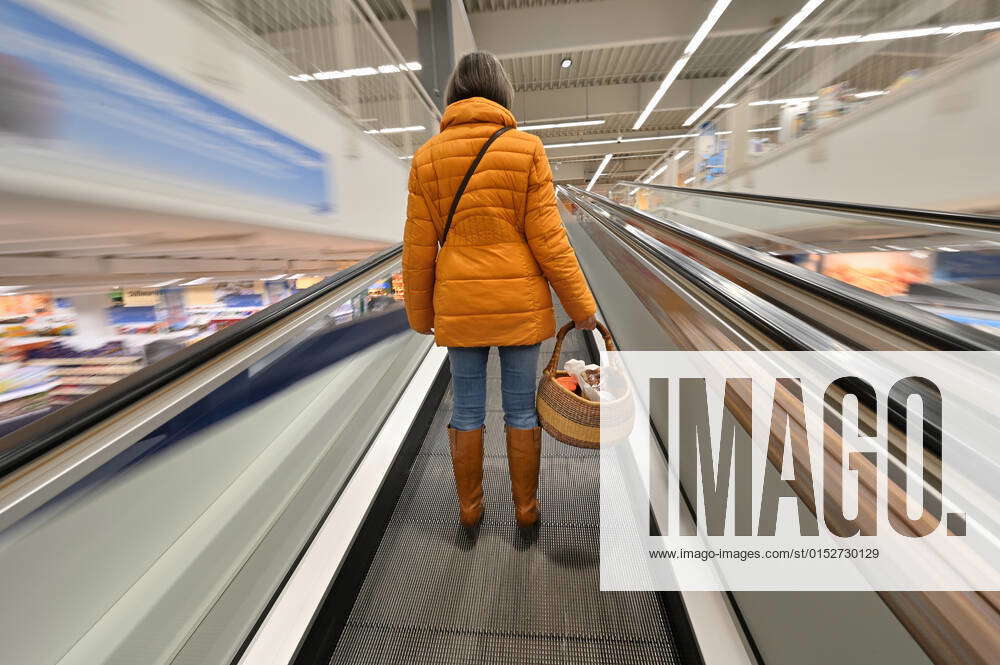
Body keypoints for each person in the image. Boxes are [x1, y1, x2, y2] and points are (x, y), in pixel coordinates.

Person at [402, 51, 596, 529]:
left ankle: (470, 510)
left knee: (467, 410)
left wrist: (420, 316)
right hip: (519, 304)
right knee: (521, 409)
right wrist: (581, 307)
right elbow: (550, 240)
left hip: (460, 304)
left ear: (454, 95)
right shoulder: (526, 149)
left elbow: (418, 249)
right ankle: (526, 511)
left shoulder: (426, 158)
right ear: (502, 92)